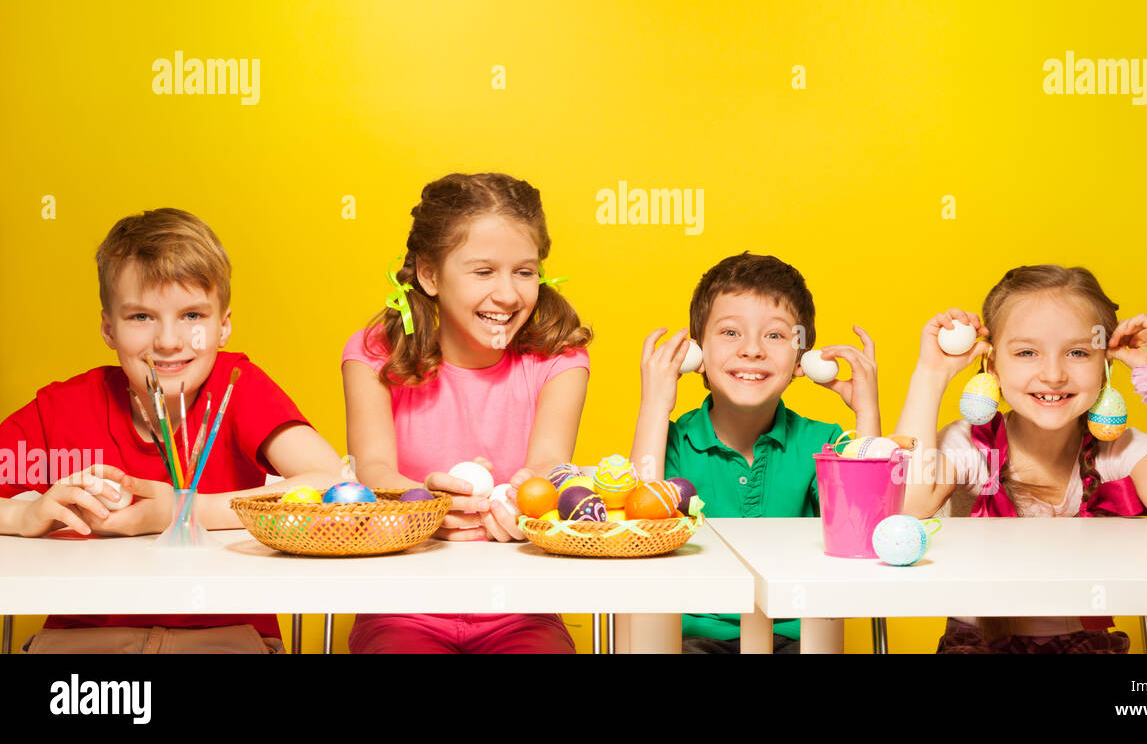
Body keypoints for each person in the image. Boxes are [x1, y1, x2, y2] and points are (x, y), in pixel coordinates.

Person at [0, 208, 341, 652]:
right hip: (85, 642)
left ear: (224, 326)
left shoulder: (237, 388)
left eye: (192, 316)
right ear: (108, 328)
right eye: (141, 317)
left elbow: (333, 481)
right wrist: (23, 516)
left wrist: (185, 512)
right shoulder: (61, 408)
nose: (168, 341)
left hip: (225, 638)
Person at [895, 264, 1147, 653]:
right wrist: (931, 374)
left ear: (1106, 365)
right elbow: (904, 504)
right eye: (1027, 352)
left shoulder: (1114, 450)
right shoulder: (970, 445)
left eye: (1078, 352)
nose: (1053, 374)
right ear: (993, 365)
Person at [343, 172, 591, 653]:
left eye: (524, 271)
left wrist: (525, 498)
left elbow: (547, 465)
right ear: (430, 276)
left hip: (522, 610)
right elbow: (371, 471)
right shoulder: (376, 354)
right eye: (483, 272)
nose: (508, 295)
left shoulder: (559, 359)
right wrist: (424, 506)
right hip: (401, 608)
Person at [630, 251, 879, 652]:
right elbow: (637, 530)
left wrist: (867, 410)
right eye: (730, 333)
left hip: (798, 637)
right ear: (697, 356)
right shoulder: (671, 442)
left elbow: (865, 532)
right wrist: (655, 406)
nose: (752, 350)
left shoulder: (825, 444)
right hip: (695, 638)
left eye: (776, 335)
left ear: (802, 360)